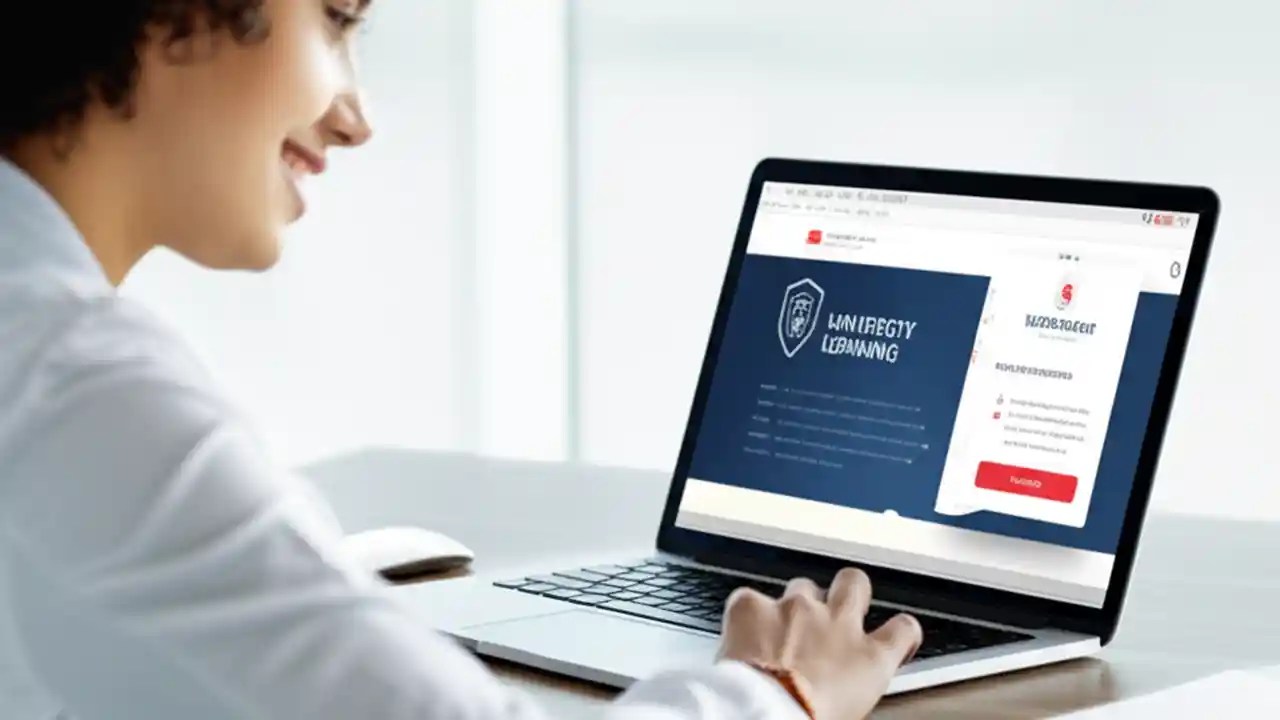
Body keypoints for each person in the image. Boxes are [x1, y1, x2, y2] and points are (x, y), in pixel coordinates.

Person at [0, 2, 922, 718]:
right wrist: (781, 690)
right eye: (335, 20)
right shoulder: (78, 390)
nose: (354, 118)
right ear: (177, 19)